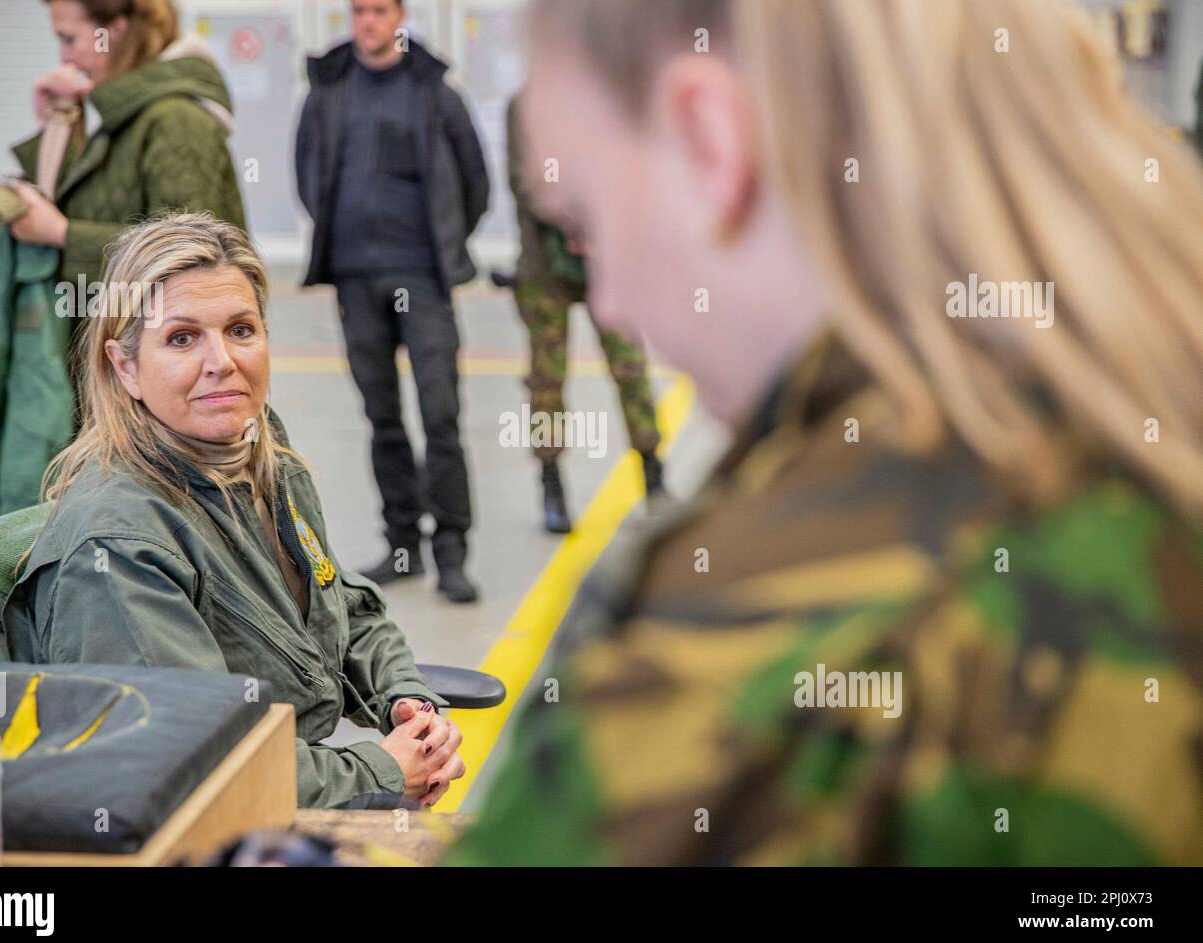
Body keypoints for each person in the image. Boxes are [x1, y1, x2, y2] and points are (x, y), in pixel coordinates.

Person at [448, 0, 1203, 865]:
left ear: (708, 138)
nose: (608, 298)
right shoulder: (1154, 425)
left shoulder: (739, 649)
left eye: (583, 221)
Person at [2, 213, 466, 810]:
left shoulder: (259, 454)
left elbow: (340, 605)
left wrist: (405, 700)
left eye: (241, 329)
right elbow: (190, 763)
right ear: (125, 367)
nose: (222, 361)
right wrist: (378, 771)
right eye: (182, 338)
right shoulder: (118, 549)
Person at [294, 0, 490, 603]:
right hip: (356, 278)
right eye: (357, 11)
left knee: (440, 416)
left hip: (423, 277)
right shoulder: (328, 90)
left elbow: (475, 181)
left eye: (378, 10)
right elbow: (307, 172)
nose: (366, 22)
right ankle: (403, 546)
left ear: (401, 15)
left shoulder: (435, 91)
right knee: (382, 418)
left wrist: (448, 242)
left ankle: (451, 552)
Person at [9, 0, 244, 308]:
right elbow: (83, 203)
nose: (64, 57)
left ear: (116, 30)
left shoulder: (175, 119)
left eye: (69, 39)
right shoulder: (130, 114)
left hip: (156, 344)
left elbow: (190, 253)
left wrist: (61, 234)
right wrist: (54, 124)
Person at [503, 91, 665, 534]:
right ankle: (550, 482)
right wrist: (572, 222)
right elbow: (524, 178)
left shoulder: (605, 89)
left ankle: (654, 478)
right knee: (546, 384)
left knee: (631, 369)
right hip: (545, 266)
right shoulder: (527, 104)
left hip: (608, 262)